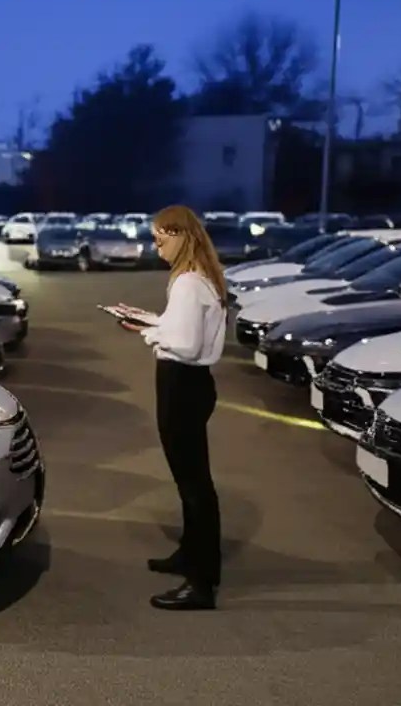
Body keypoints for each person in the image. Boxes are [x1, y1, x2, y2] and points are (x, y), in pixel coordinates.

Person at [118, 205, 227, 611]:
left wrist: (149, 332)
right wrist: (150, 320)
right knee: (192, 482)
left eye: (161, 237)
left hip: (182, 384)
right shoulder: (203, 277)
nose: (156, 245)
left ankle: (201, 583)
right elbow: (182, 328)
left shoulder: (187, 282)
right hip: (194, 385)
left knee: (195, 485)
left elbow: (184, 344)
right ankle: (190, 556)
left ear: (182, 235)